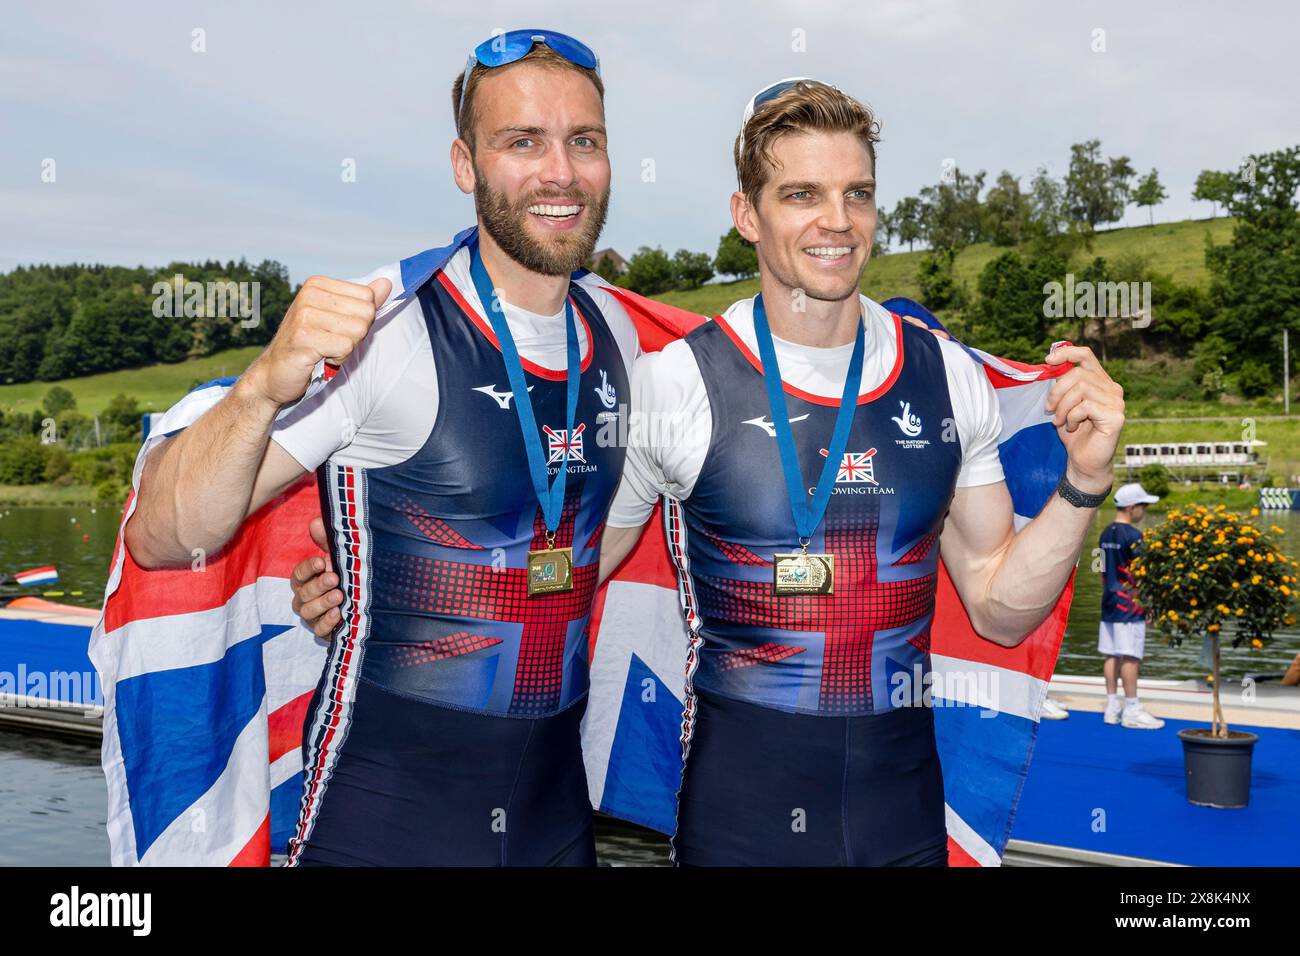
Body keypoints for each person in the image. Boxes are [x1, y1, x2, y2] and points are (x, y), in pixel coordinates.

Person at [124, 30, 643, 865]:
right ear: (465, 165)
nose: (560, 172)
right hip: (382, 826)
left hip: (556, 828)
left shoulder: (617, 335)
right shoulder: (389, 329)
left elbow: (599, 539)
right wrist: (263, 384)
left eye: (584, 141)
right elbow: (164, 536)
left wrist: (373, 575)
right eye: (523, 142)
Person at [1098, 482, 1165, 729]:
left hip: (1108, 600)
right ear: (1132, 507)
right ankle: (1132, 708)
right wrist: (1150, 604)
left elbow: (1100, 570)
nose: (1144, 511)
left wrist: (1109, 591)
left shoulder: (1104, 533)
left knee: (1111, 653)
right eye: (1143, 506)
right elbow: (1144, 575)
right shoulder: (1136, 536)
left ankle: (1111, 705)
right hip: (1130, 604)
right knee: (1130, 656)